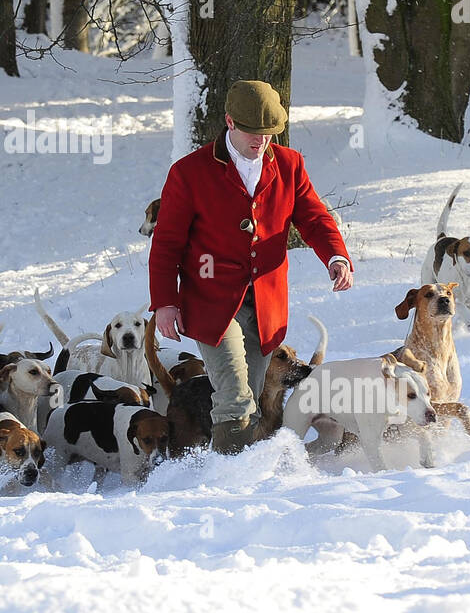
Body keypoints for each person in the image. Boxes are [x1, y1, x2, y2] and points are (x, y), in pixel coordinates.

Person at [149, 80, 353, 454]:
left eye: (268, 133)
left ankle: (231, 468)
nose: (261, 141)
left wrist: (336, 256)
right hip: (211, 302)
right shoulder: (189, 172)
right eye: (251, 132)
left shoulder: (290, 164)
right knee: (234, 396)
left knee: (255, 401)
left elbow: (314, 218)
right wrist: (165, 301)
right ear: (229, 122)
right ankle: (231, 480)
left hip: (265, 304)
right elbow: (167, 243)